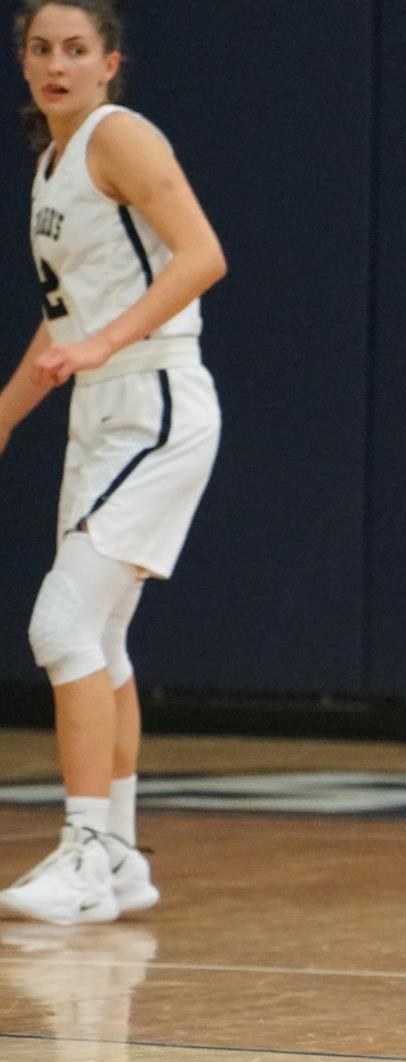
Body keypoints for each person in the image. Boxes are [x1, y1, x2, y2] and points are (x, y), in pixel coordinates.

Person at [0, 0, 225, 927]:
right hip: (103, 409)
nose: (57, 62)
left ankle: (87, 847)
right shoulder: (52, 165)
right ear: (23, 62)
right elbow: (65, 321)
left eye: (76, 48)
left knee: (60, 625)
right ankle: (122, 859)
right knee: (99, 640)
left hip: (157, 399)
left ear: (108, 62)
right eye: (41, 47)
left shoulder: (117, 135)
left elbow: (204, 254)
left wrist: (105, 344)